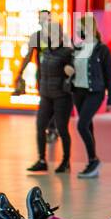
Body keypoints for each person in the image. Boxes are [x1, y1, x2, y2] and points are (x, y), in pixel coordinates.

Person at [14, 11, 75, 174]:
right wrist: (20, 73)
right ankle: (42, 160)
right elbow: (28, 56)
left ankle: (65, 161)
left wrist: (71, 71)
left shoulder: (67, 49)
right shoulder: (42, 46)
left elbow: (76, 65)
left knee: (62, 127)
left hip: (61, 92)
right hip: (46, 86)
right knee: (40, 125)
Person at [70, 14, 111, 179]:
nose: (78, 30)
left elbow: (110, 75)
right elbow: (71, 67)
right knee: (87, 125)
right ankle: (92, 161)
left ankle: (94, 161)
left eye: (81, 27)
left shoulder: (102, 50)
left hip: (95, 93)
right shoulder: (77, 47)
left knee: (82, 125)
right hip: (78, 92)